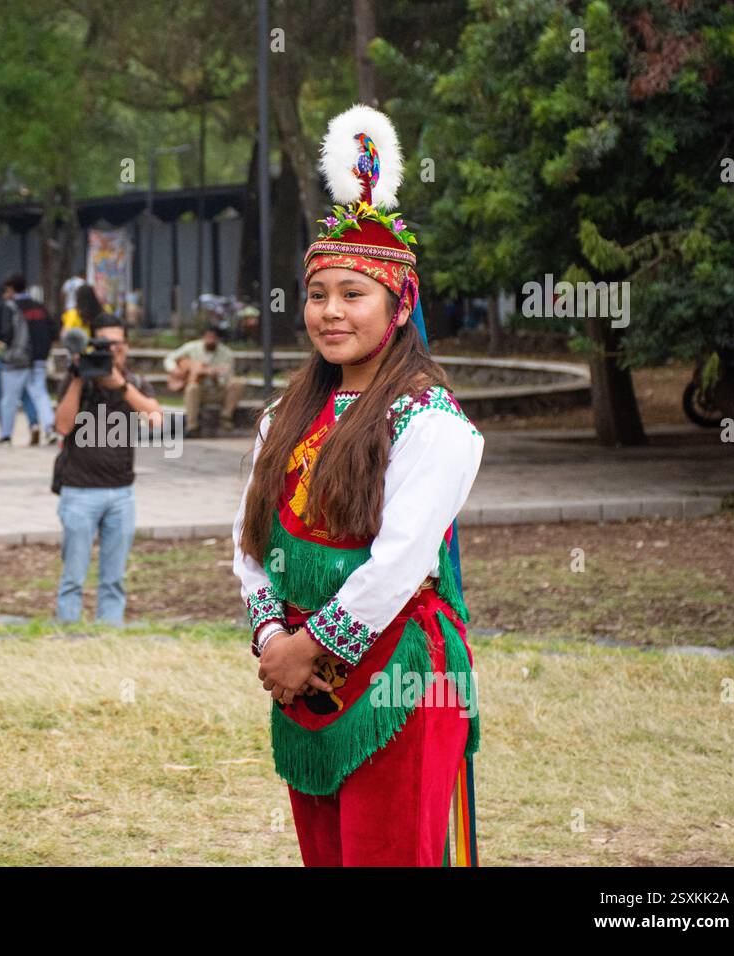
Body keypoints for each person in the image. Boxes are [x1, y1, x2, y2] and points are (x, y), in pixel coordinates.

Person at [232, 106, 484, 867]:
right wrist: (274, 639)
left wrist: (311, 647)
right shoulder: (286, 414)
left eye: (354, 294)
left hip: (396, 676)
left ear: (398, 306)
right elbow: (251, 545)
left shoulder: (431, 421)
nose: (330, 312)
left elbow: (402, 558)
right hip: (302, 680)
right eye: (319, 295)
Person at [52, 312, 162, 625]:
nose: (110, 350)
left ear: (126, 346)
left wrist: (119, 384)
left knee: (114, 577)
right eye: (103, 344)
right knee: (73, 575)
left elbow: (155, 419)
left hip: (121, 493)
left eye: (116, 344)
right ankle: (67, 630)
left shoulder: (135, 381)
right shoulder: (78, 379)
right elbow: (62, 426)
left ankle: (110, 632)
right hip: (78, 491)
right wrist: (77, 376)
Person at [0, 272, 57, 445]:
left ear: (10, 289)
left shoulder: (9, 307)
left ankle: (5, 434)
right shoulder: (39, 307)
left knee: (9, 398)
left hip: (15, 360)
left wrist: (2, 350)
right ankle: (49, 428)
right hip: (38, 359)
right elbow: (53, 331)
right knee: (40, 394)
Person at [164, 323, 245, 435]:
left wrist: (214, 377)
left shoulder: (227, 354)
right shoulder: (192, 347)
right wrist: (175, 370)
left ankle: (225, 417)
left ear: (218, 339)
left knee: (238, 383)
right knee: (192, 387)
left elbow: (225, 379)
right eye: (208, 337)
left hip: (217, 391)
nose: (210, 340)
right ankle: (192, 426)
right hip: (199, 391)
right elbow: (169, 358)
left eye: (213, 337)